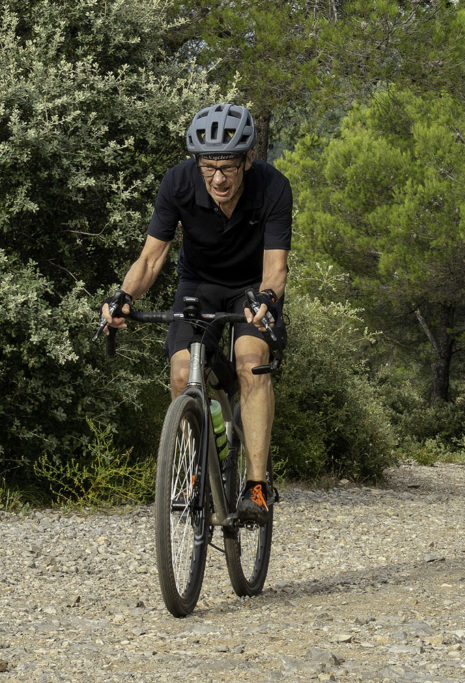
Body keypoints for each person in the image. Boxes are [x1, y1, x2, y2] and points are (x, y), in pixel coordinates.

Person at [100, 103, 292, 523]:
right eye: (209, 167)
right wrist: (122, 297)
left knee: (250, 363)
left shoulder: (273, 187)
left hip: (252, 289)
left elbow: (276, 268)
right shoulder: (179, 183)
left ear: (247, 160)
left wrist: (266, 301)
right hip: (198, 286)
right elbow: (151, 259)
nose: (218, 178)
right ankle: (195, 471)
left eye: (228, 167)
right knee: (180, 371)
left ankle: (257, 487)